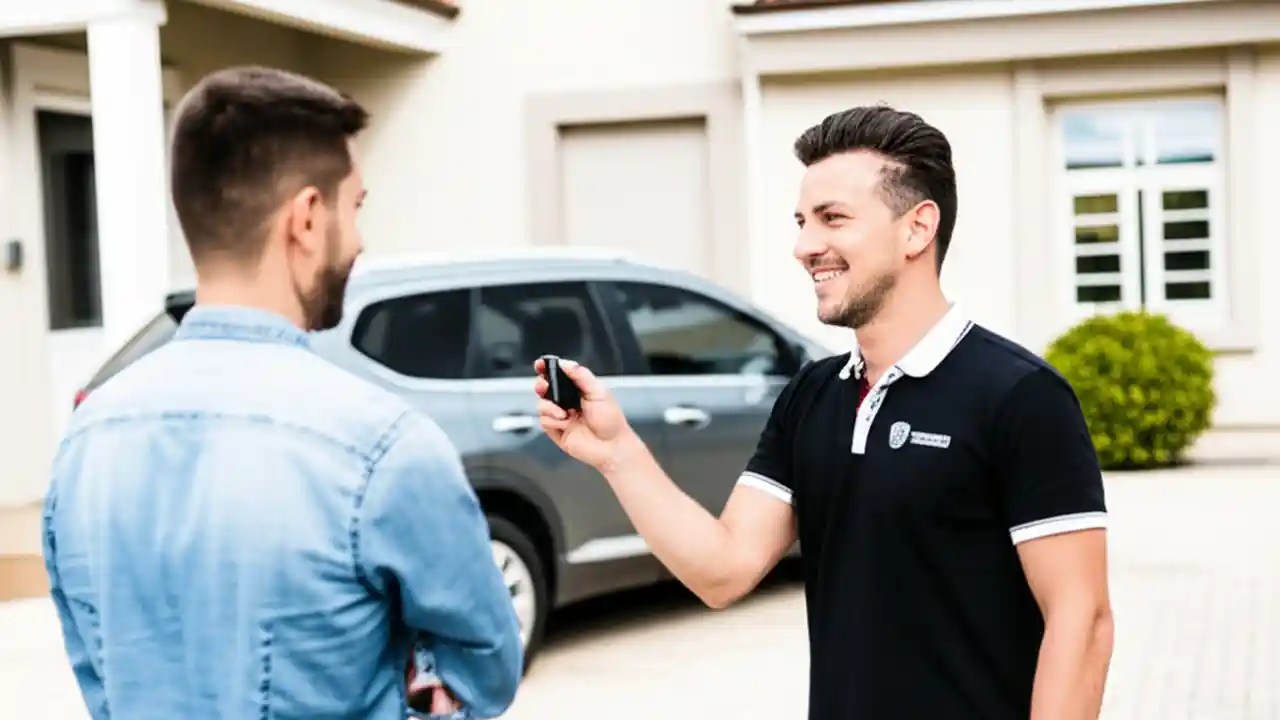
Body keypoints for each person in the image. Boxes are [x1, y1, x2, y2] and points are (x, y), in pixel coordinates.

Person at [535, 105, 1114, 719]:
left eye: (833, 219)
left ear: (918, 229)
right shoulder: (812, 394)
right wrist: (617, 452)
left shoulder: (1021, 396)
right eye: (802, 221)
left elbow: (1082, 620)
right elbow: (723, 569)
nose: (805, 247)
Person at [41, 66, 522, 720]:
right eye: (355, 208)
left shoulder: (85, 441)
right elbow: (484, 673)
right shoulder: (383, 447)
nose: (359, 239)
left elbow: (99, 676)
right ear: (306, 218)